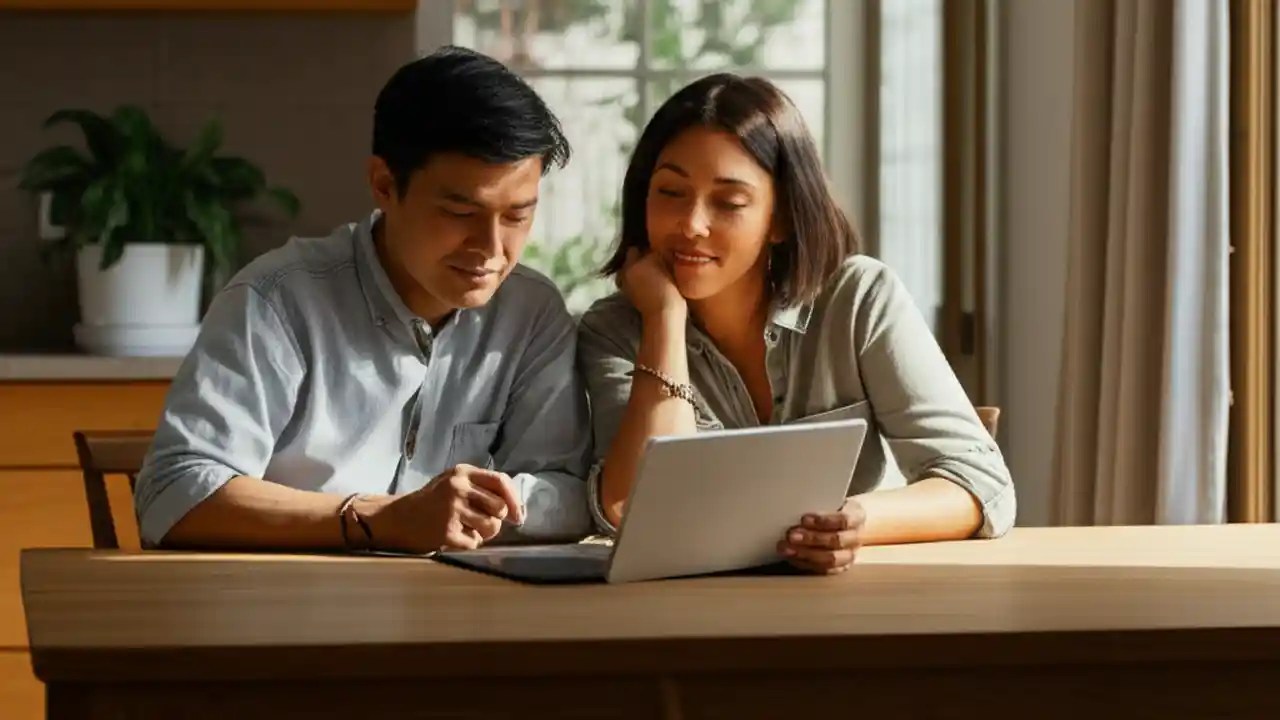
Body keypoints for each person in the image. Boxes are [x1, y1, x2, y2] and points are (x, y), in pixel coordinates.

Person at [134, 46, 594, 553]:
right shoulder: (279, 301)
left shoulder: (531, 314)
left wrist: (480, 503)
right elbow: (173, 493)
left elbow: (570, 494)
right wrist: (382, 518)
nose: (490, 249)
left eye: (516, 216)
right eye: (460, 213)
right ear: (383, 184)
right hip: (282, 615)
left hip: (454, 616)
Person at [577, 74, 1015, 575]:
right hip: (692, 614)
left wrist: (854, 521)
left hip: (858, 604)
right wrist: (665, 320)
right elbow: (632, 507)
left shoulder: (858, 298)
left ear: (780, 217)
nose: (691, 224)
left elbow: (982, 483)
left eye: (729, 202)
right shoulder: (615, 330)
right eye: (671, 192)